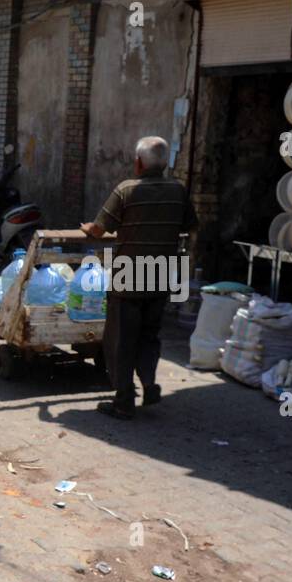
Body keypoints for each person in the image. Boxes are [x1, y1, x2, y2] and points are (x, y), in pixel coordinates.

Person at [82, 135, 197, 420]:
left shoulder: (127, 190)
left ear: (138, 162)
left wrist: (88, 228)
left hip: (129, 277)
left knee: (121, 339)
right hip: (161, 274)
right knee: (149, 335)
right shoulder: (178, 191)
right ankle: (148, 384)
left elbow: (99, 229)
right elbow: (190, 225)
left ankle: (123, 402)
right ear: (165, 162)